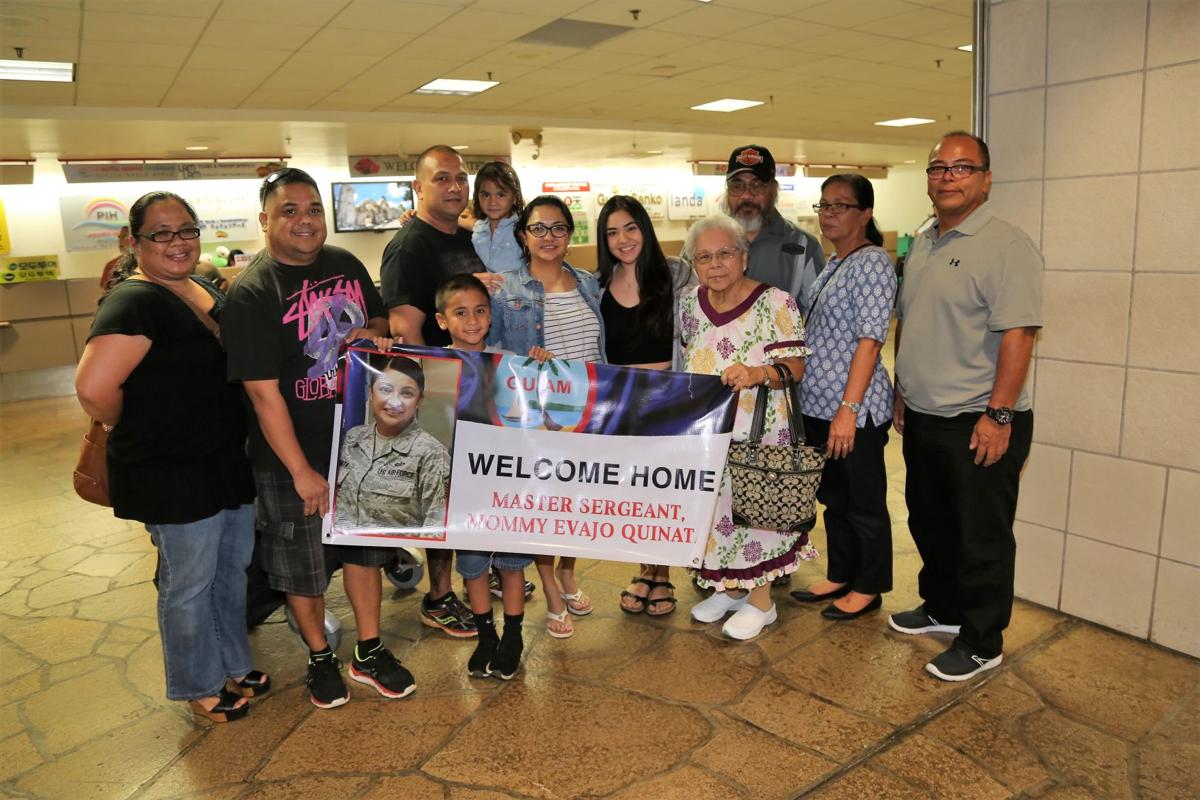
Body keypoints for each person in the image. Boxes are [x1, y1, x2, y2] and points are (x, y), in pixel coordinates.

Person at [223, 168, 415, 708]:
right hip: (293, 458)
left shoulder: (344, 262)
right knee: (301, 568)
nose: (305, 221)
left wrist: (373, 333)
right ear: (266, 220)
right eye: (290, 211)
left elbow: (378, 320)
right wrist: (302, 472)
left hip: (356, 445)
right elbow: (264, 397)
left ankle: (369, 650)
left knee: (363, 553)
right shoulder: (253, 293)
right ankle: (320, 656)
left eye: (313, 210)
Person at [75, 191, 263, 723]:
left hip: (222, 459)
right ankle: (199, 683)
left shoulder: (198, 289)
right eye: (160, 234)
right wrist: (130, 422)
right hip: (171, 470)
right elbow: (94, 388)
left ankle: (231, 661)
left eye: (185, 230)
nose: (176, 242)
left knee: (231, 570)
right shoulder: (132, 302)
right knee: (189, 582)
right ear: (136, 244)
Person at [890, 131, 1042, 681]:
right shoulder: (925, 240)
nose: (947, 178)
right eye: (938, 169)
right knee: (931, 522)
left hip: (980, 419)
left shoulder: (1006, 245)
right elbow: (912, 321)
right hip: (927, 415)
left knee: (980, 536)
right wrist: (904, 390)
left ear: (985, 179)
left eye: (961, 168)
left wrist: (999, 415)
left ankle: (982, 641)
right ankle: (944, 609)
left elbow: (1019, 335)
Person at [680, 214, 814, 641]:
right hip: (709, 434)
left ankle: (762, 603)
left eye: (724, 253)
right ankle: (730, 589)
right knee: (716, 518)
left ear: (744, 256)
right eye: (704, 257)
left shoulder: (776, 302)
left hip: (761, 433)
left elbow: (796, 366)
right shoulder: (689, 303)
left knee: (756, 515)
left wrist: (758, 373)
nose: (715, 264)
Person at [380, 145, 494, 639]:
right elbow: (408, 332)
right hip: (443, 398)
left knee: (466, 492)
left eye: (459, 178)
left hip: (476, 390)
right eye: (441, 178)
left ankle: (471, 579)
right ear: (418, 188)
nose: (454, 187)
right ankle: (439, 596)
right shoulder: (410, 246)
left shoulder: (459, 235)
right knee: (440, 497)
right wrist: (438, 402)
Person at [488, 195, 604, 638]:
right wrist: (526, 362)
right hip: (536, 418)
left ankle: (568, 572)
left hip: (588, 413)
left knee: (578, 504)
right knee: (545, 505)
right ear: (524, 235)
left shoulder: (589, 283)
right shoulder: (505, 289)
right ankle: (553, 591)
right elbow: (490, 349)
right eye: (539, 228)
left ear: (570, 235)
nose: (549, 237)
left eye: (558, 228)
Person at [433, 273, 554, 678]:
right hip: (462, 488)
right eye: (461, 313)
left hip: (506, 483)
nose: (472, 321)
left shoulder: (510, 361)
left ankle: (514, 634)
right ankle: (486, 634)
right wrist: (380, 350)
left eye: (481, 311)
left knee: (512, 563)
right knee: (472, 566)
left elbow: (539, 407)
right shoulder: (431, 365)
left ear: (491, 314)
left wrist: (541, 368)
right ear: (441, 320)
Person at [790, 174, 897, 622]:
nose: (829, 214)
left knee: (862, 500)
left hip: (852, 410)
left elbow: (870, 342)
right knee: (835, 497)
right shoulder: (836, 261)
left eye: (841, 206)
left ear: (866, 214)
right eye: (824, 205)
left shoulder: (872, 262)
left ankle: (868, 586)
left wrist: (848, 412)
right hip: (818, 406)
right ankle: (841, 574)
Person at [596, 195, 696, 617]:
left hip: (669, 398)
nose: (623, 239)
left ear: (645, 229)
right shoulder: (595, 284)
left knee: (666, 490)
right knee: (636, 492)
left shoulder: (677, 273)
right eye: (613, 232)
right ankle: (645, 569)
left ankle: (662, 574)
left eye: (630, 228)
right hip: (622, 402)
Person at [334, 354, 450, 539]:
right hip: (343, 555)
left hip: (396, 561)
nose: (394, 401)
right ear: (371, 392)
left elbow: (435, 531)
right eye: (385, 389)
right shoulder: (352, 438)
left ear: (419, 400)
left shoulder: (431, 453)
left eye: (407, 393)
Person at [721, 144, 826, 308]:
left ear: (773, 189)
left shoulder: (804, 247)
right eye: (737, 186)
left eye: (756, 185)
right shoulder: (705, 243)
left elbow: (820, 317)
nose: (746, 195)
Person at [470, 161, 525, 272]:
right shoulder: (478, 230)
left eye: (501, 195)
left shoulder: (523, 230)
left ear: (515, 197)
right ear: (478, 197)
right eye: (486, 195)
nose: (492, 202)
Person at [98, 225, 132, 290]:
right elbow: (105, 292)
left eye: (124, 237)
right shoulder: (111, 265)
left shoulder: (146, 264)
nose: (120, 241)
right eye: (119, 238)